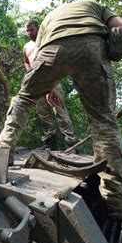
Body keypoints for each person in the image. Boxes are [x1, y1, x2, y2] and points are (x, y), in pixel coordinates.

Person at [0, 0, 122, 220]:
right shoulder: (95, 6)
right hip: (92, 47)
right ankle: (116, 201)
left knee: (24, 98)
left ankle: (1, 153)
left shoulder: (51, 17)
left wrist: (48, 84)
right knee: (103, 120)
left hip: (52, 48)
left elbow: (39, 54)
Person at [24, 20, 78, 149]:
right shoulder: (26, 46)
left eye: (32, 29)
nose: (29, 33)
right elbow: (26, 61)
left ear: (38, 29)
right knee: (43, 113)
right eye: (27, 30)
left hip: (52, 80)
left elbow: (56, 61)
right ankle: (49, 143)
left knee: (59, 109)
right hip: (36, 82)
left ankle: (71, 142)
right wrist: (30, 72)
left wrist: (52, 85)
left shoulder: (46, 41)